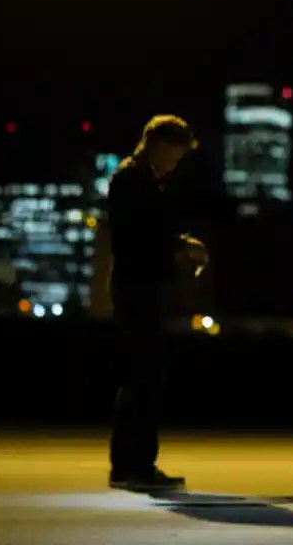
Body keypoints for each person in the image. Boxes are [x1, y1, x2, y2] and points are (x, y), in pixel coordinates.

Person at [106, 114, 208, 492]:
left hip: (139, 288)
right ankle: (133, 464)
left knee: (143, 377)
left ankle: (134, 463)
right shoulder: (133, 180)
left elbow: (150, 230)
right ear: (161, 145)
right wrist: (183, 246)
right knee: (142, 378)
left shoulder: (137, 179)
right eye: (176, 156)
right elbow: (146, 234)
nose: (174, 165)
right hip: (139, 290)